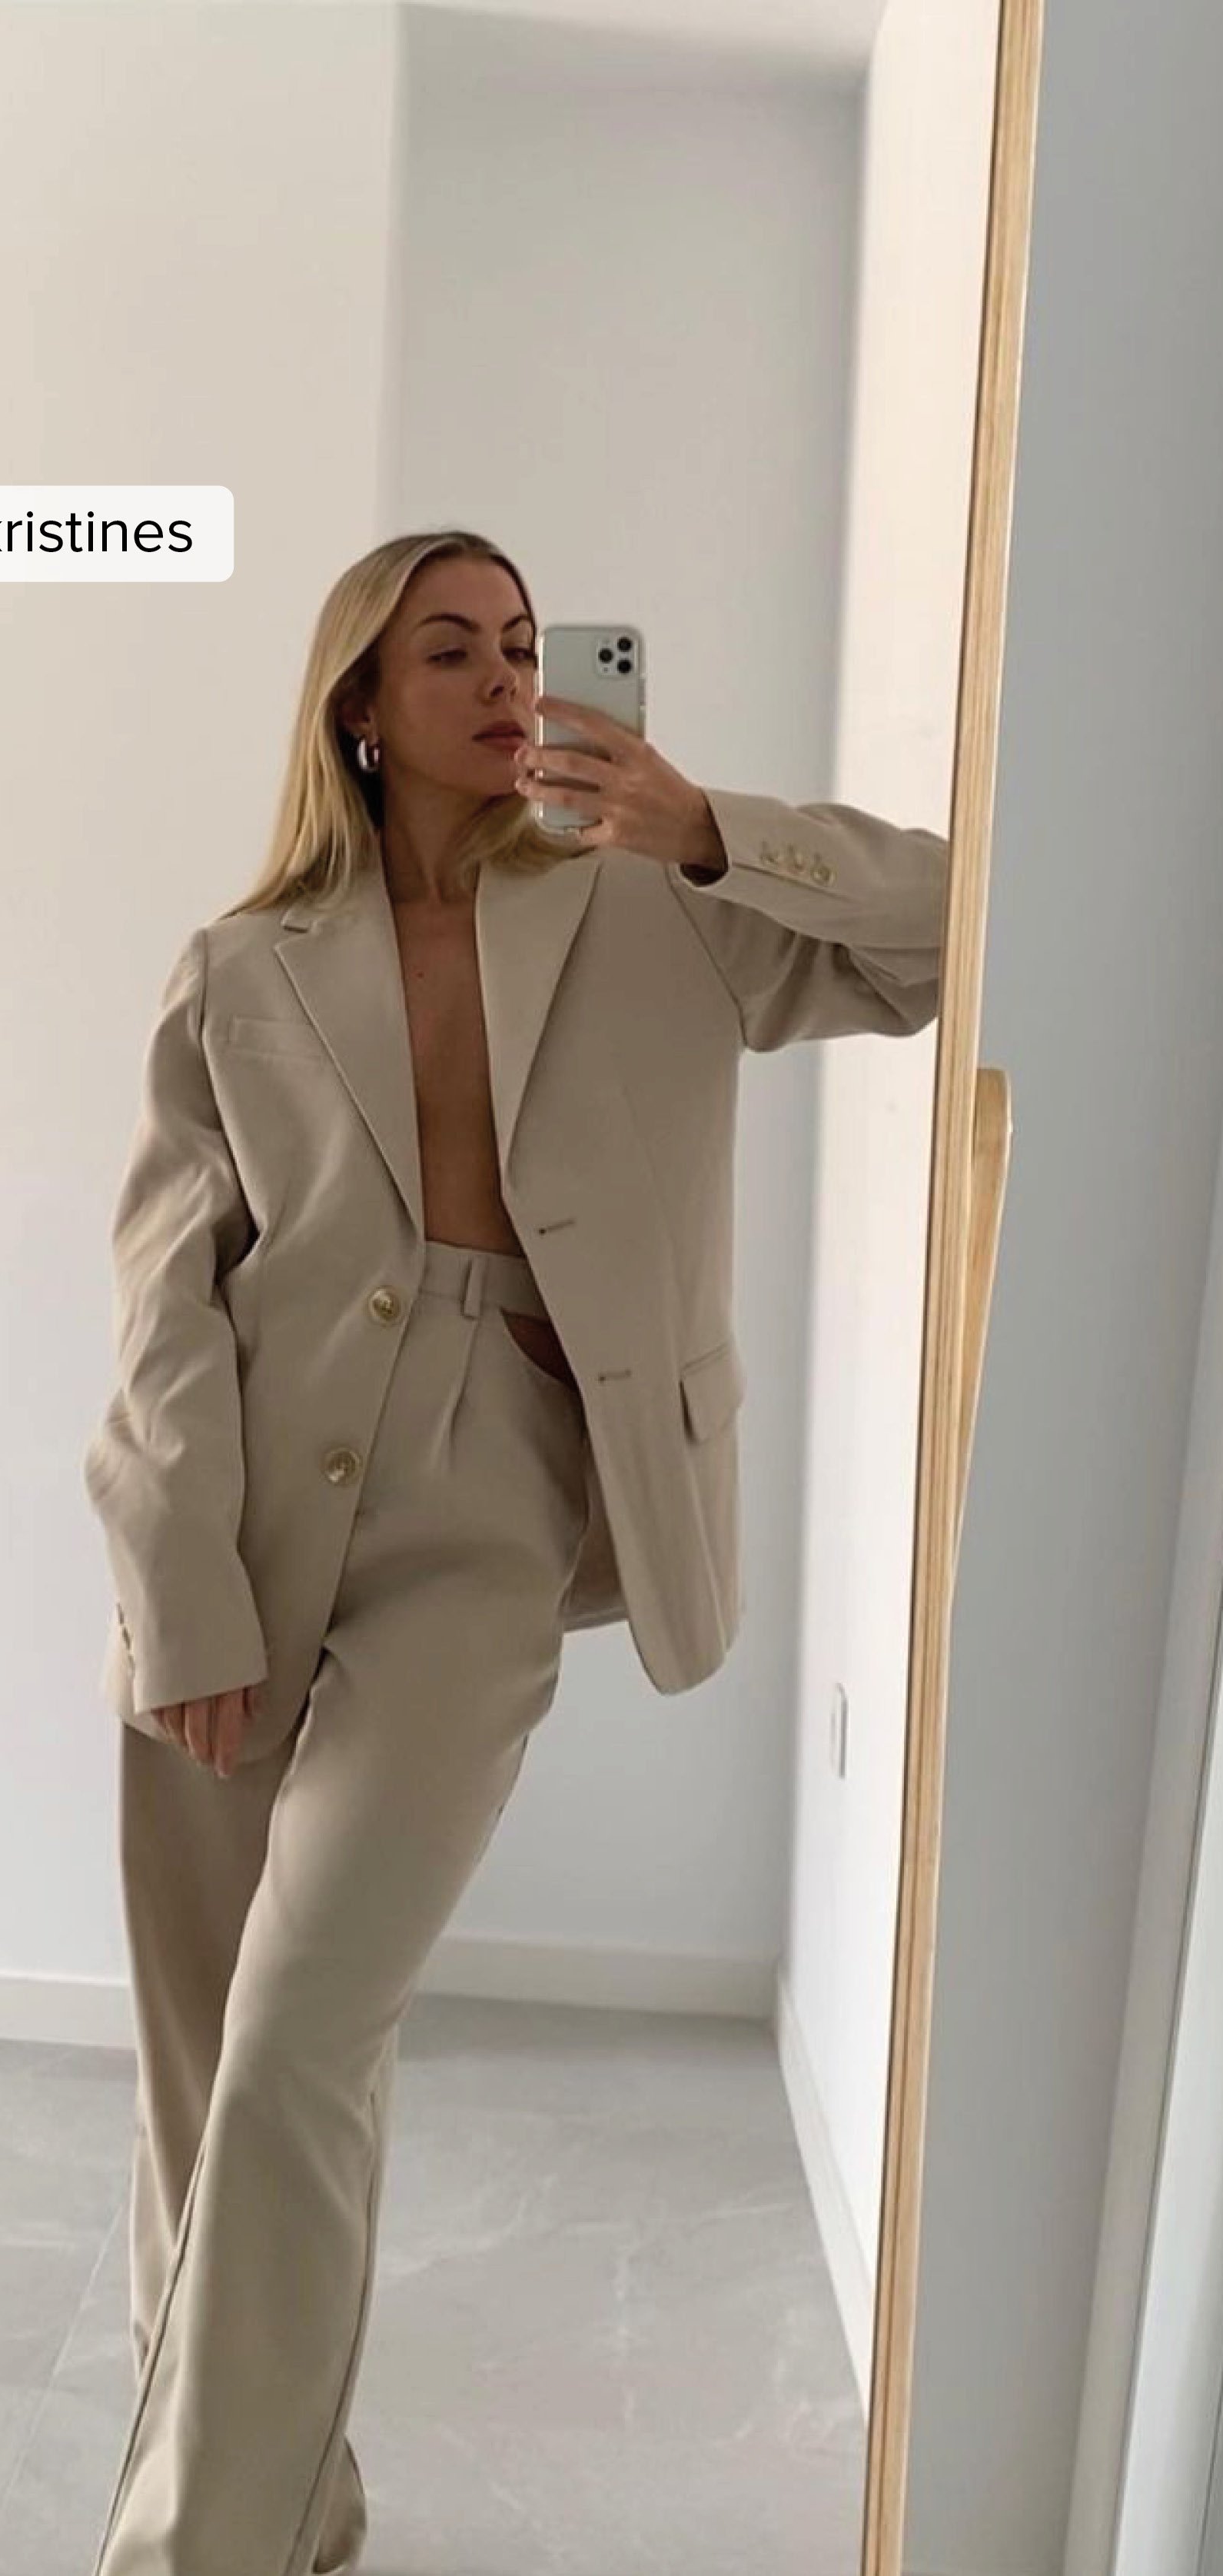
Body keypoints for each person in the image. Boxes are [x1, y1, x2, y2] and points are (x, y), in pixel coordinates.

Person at [82, 528, 949, 2574]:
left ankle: (189, 2554)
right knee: (200, 2078)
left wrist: (710, 826)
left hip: (491, 1518)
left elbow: (950, 933)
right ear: (360, 708)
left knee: (299, 2041)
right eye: (450, 650)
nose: (502, 679)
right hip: (237, 1519)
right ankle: (284, 2507)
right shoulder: (239, 967)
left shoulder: (660, 905)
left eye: (527, 648)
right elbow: (164, 1304)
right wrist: (180, 1594)